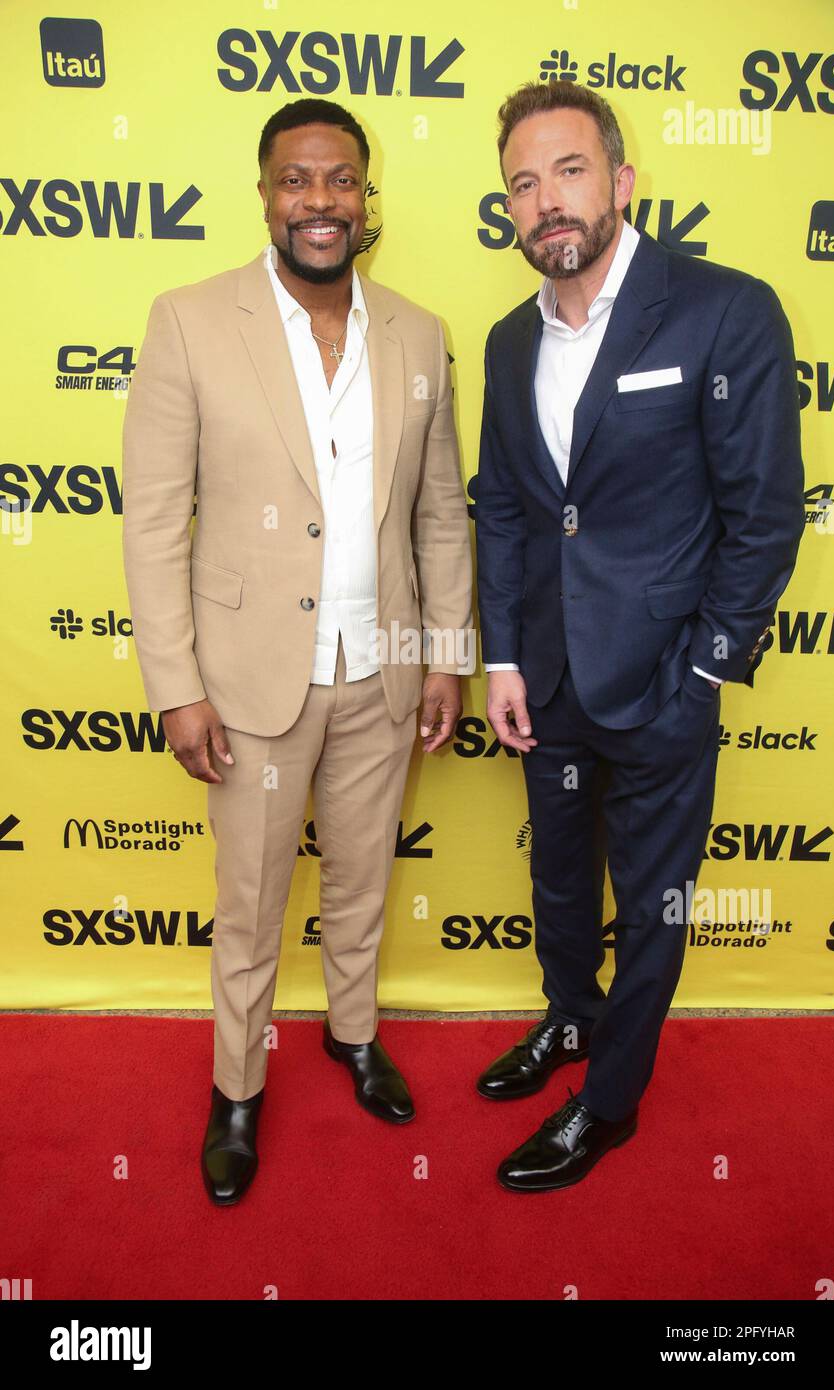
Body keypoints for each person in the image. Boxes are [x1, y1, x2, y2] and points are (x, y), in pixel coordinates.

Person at [122, 98, 473, 1206]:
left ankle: (354, 1036)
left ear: (367, 199)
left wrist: (447, 657)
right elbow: (150, 520)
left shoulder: (418, 332)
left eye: (339, 181)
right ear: (265, 192)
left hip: (383, 669)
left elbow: (441, 515)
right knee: (250, 898)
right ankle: (236, 1088)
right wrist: (176, 686)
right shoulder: (186, 319)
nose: (319, 202)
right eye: (295, 180)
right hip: (250, 679)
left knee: (363, 877)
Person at [473, 79, 804, 1192]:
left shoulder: (725, 309)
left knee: (648, 903)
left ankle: (606, 1101)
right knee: (562, 884)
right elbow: (510, 508)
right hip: (550, 681)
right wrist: (505, 657)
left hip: (665, 682)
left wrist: (705, 666)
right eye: (522, 183)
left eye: (566, 172)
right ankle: (569, 1022)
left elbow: (760, 515)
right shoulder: (507, 340)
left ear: (619, 181)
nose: (544, 201)